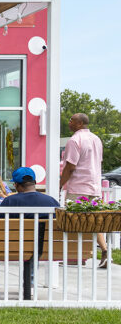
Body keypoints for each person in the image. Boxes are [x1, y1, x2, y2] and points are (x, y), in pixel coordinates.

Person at [0, 166, 60, 300]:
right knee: (36, 245)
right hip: (48, 247)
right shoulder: (51, 201)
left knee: (28, 245)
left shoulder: (10, 201)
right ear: (35, 183)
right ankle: (30, 284)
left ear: (16, 185)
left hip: (14, 247)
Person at [60, 113, 109, 267]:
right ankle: (105, 250)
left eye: (71, 120)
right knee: (94, 221)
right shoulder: (96, 139)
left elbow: (70, 166)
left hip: (78, 187)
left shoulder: (75, 140)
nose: (69, 122)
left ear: (80, 123)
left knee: (74, 222)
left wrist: (60, 184)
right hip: (94, 186)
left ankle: (75, 257)